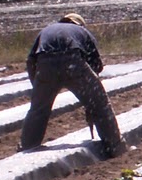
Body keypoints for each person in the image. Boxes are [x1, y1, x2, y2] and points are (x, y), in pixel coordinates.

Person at [19, 12, 125, 157]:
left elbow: (31, 61)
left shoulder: (46, 30)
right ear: (79, 24)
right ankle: (115, 146)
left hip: (45, 66)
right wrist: (92, 95)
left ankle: (27, 147)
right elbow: (97, 65)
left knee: (38, 110)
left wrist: (38, 87)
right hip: (73, 62)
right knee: (100, 106)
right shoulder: (82, 32)